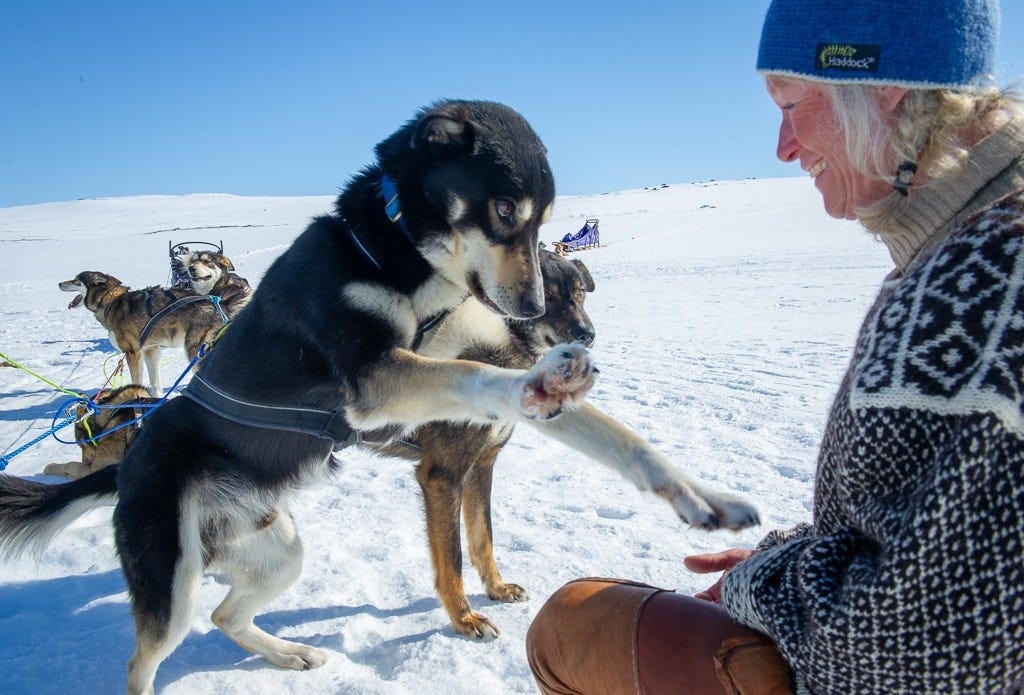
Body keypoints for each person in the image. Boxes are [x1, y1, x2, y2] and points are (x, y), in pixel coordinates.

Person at [525, 0, 1024, 693]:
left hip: (861, 667)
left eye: (792, 103)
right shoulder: (969, 244)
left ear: (886, 87)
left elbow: (923, 653)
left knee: (567, 628)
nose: (784, 147)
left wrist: (771, 578)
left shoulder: (989, 279)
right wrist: (810, 548)